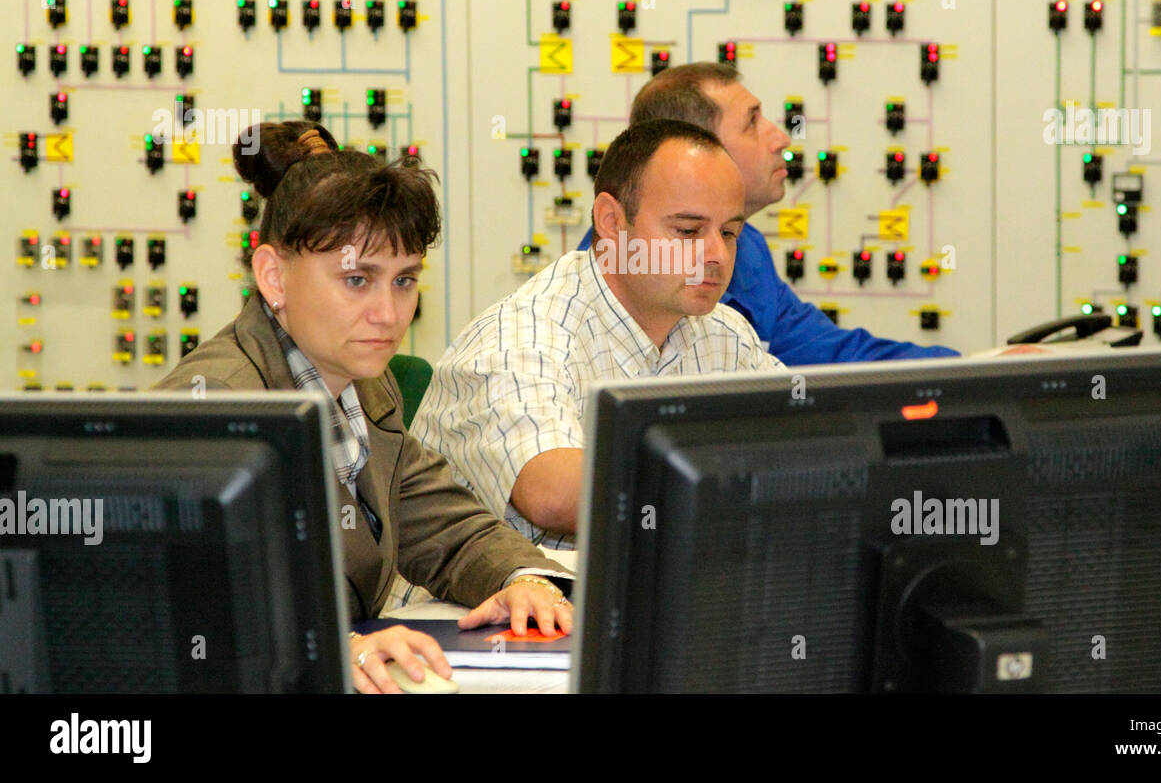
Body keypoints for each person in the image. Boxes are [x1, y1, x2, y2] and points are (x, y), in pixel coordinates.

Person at [151, 121, 573, 694]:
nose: (388, 313)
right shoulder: (217, 405)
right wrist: (333, 647)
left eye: (404, 281)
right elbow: (181, 605)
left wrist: (526, 580)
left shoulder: (363, 386)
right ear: (273, 275)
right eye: (356, 279)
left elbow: (445, 525)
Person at [411, 119, 784, 548]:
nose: (717, 255)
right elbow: (551, 493)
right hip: (457, 613)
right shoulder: (520, 338)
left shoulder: (725, 334)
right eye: (687, 231)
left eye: (729, 233)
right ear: (610, 220)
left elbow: (811, 440)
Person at [578, 63, 961, 364]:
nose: (781, 138)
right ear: (695, 147)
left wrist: (970, 367)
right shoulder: (599, 284)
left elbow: (829, 356)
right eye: (752, 123)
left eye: (726, 234)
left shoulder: (749, 250)